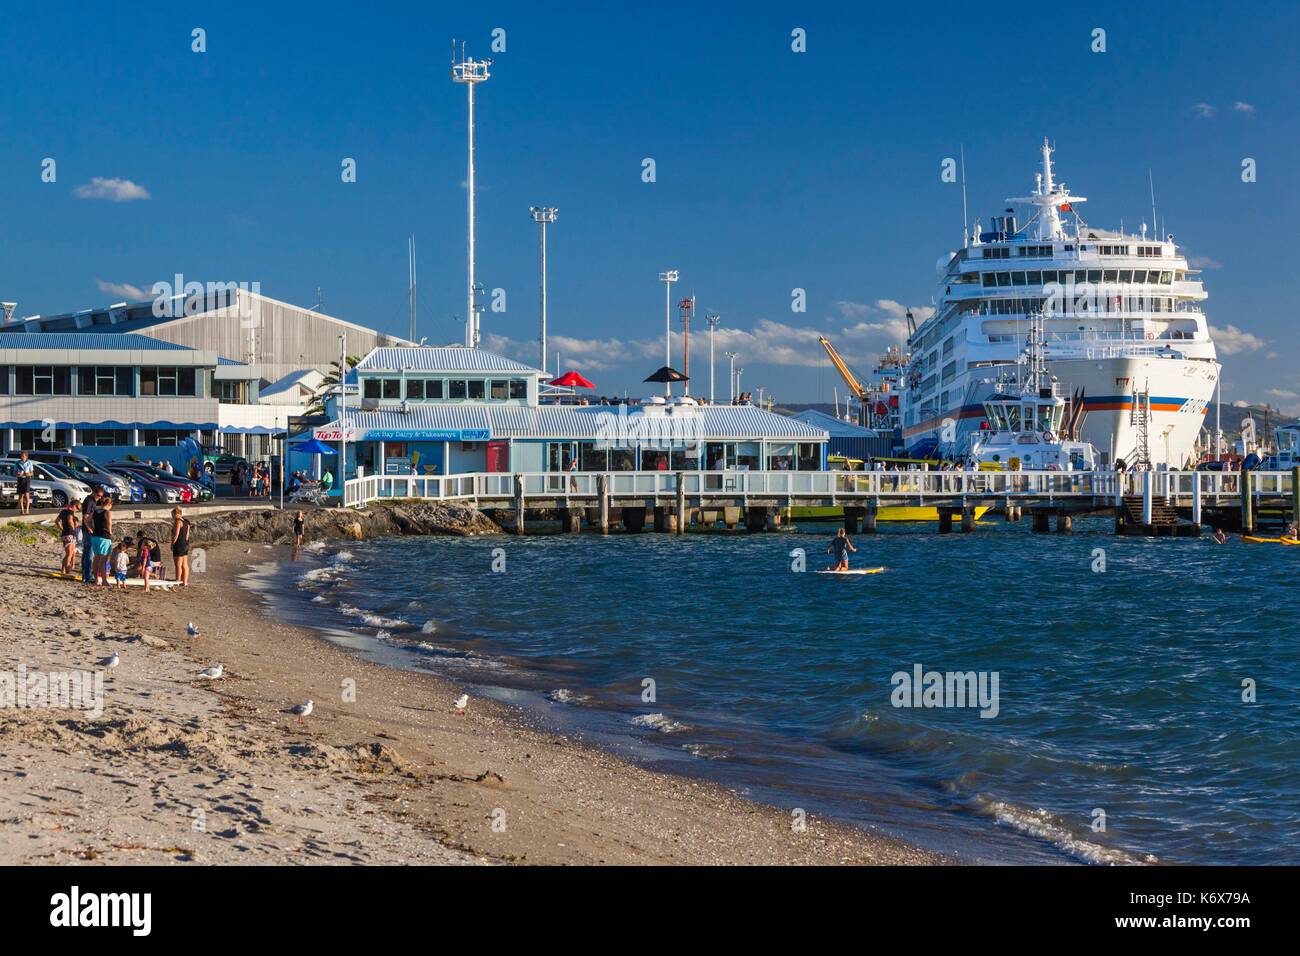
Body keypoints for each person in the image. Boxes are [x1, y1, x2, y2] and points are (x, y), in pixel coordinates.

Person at [89, 494, 114, 586]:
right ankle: (104, 581)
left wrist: (90, 528)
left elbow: (87, 519)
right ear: (109, 504)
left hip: (95, 536)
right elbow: (109, 523)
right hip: (104, 536)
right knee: (103, 560)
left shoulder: (95, 512)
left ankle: (96, 579)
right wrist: (110, 531)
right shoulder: (107, 512)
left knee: (96, 558)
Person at [80, 487, 101, 583]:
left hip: (88, 529)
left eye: (101, 496)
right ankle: (87, 576)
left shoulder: (91, 500)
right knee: (89, 553)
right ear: (94, 492)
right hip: (89, 530)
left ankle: (85, 574)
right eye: (98, 495)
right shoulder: (89, 501)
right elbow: (86, 516)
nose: (99, 497)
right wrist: (89, 529)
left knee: (86, 552)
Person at [56, 497, 81, 576]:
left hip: (65, 534)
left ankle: (63, 570)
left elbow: (57, 521)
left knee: (68, 554)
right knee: (69, 554)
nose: (77, 510)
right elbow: (70, 520)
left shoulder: (63, 511)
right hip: (70, 534)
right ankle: (67, 570)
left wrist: (62, 528)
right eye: (78, 508)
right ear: (74, 506)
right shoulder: (70, 512)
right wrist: (73, 528)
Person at [171, 507, 192, 587]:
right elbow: (187, 536)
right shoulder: (186, 522)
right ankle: (185, 582)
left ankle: (177, 580)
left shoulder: (178, 521)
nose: (172, 517)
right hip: (185, 544)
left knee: (178, 564)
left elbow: (175, 535)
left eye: (173, 515)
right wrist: (185, 543)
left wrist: (172, 544)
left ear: (177, 514)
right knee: (185, 564)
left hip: (179, 544)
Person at [16, 450, 34, 516]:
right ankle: (22, 510)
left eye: (23, 456)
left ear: (26, 457)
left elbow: (32, 473)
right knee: (21, 495)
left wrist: (28, 474)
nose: (22, 457)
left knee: (27, 494)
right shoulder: (17, 463)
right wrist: (18, 473)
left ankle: (27, 509)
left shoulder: (29, 462)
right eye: (21, 456)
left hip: (27, 479)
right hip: (20, 479)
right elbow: (14, 472)